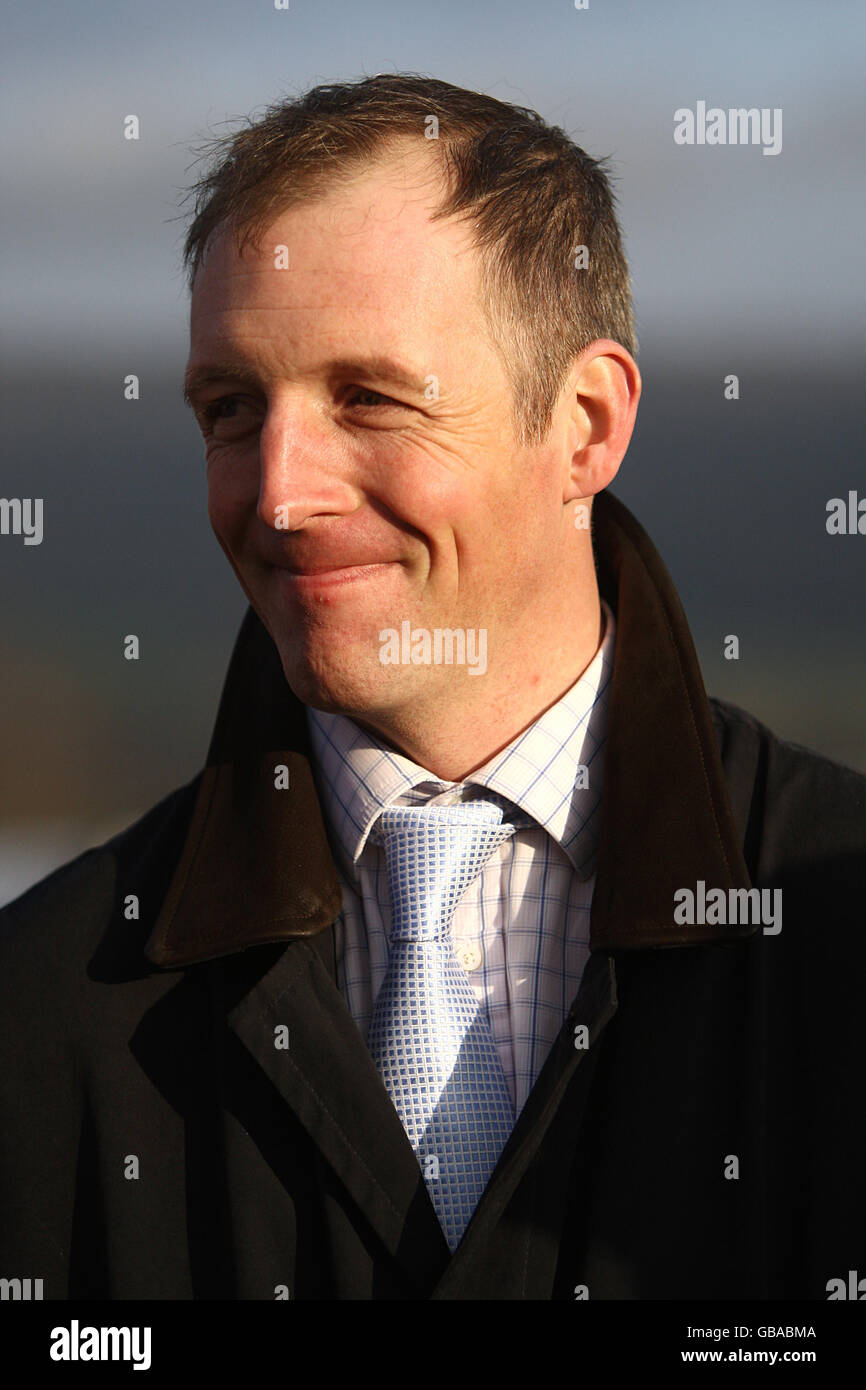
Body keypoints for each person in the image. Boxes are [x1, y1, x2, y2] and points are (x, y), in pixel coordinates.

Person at [1, 74, 863, 1302]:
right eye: (230, 409)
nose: (280, 493)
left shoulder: (834, 931)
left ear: (583, 424)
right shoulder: (49, 1012)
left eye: (368, 398)